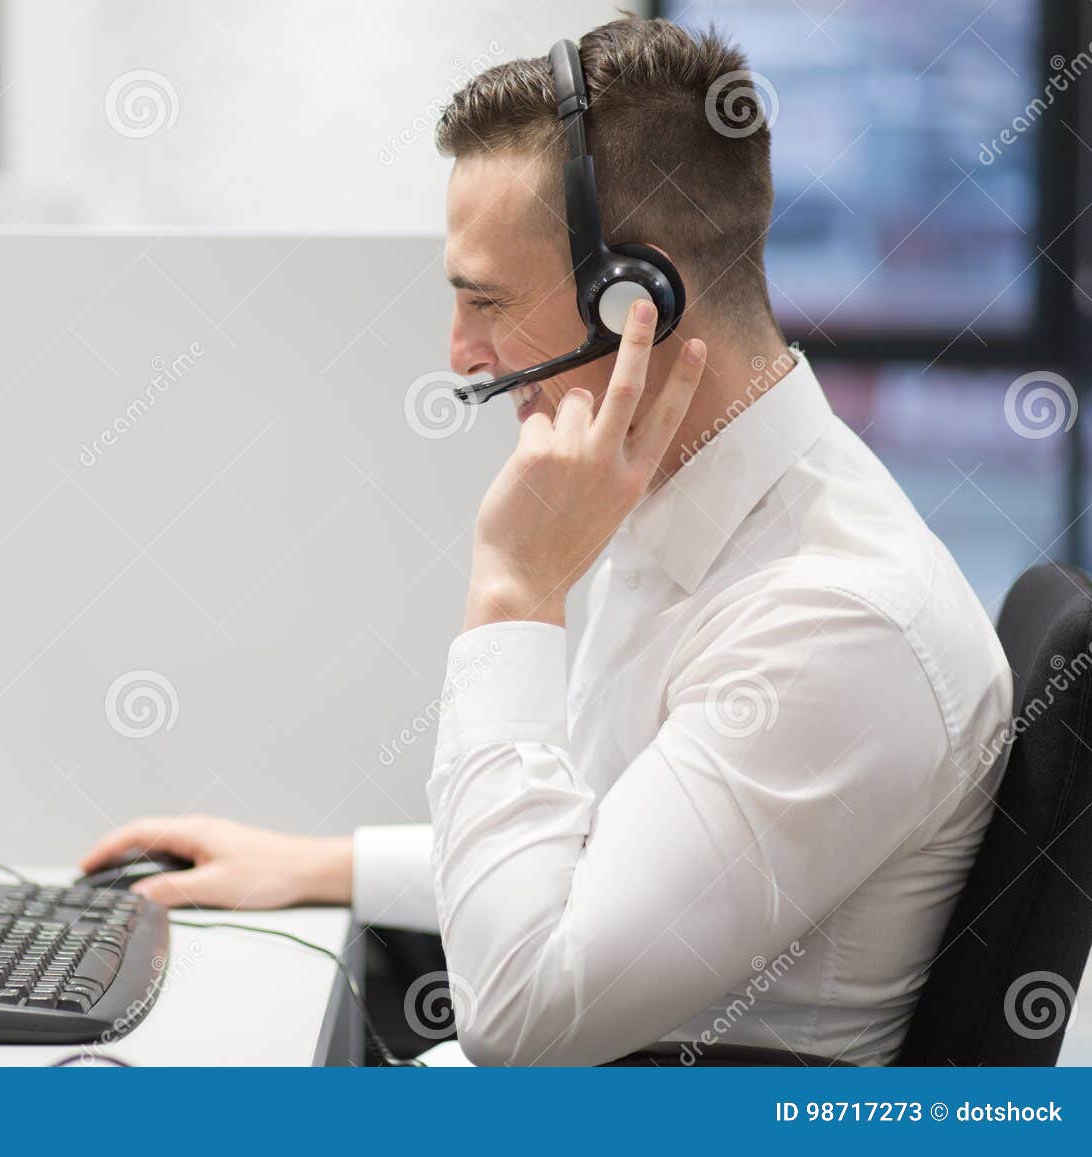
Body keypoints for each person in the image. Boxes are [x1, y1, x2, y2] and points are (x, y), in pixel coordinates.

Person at [79, 16, 1011, 1066]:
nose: (462, 356)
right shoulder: (683, 504)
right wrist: (323, 866)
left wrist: (513, 591)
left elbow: (524, 1015)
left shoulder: (834, 622)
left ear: (637, 301)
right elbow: (602, 851)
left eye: (486, 301)